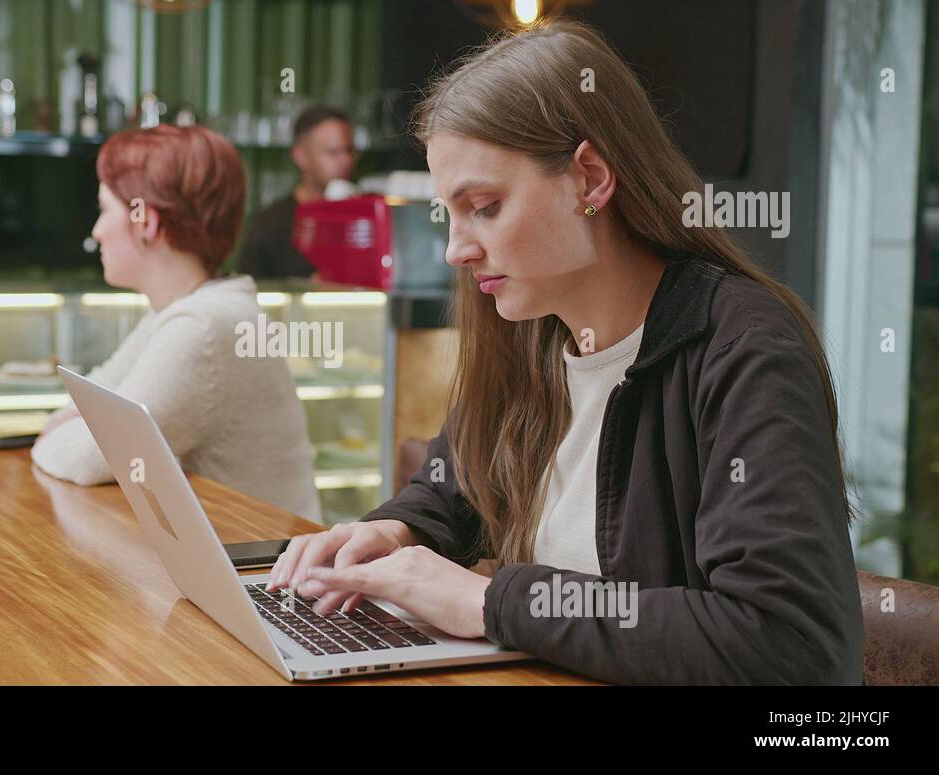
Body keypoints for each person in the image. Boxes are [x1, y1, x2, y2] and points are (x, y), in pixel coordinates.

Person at [266, 18, 864, 684]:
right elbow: (454, 486)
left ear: (590, 178)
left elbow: (789, 644)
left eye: (485, 206)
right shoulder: (534, 327)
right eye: (450, 213)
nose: (455, 248)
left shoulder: (745, 348)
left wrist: (490, 600)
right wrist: (397, 531)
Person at [32, 125, 322, 522]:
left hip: (261, 571)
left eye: (103, 209)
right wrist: (74, 430)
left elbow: (88, 458)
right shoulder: (185, 309)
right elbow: (85, 403)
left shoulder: (204, 326)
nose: (96, 231)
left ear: (146, 221)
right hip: (233, 560)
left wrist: (50, 438)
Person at [235, 105, 356, 279]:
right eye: (332, 152)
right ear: (301, 156)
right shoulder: (269, 226)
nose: (346, 160)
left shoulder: (363, 219)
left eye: (349, 150)